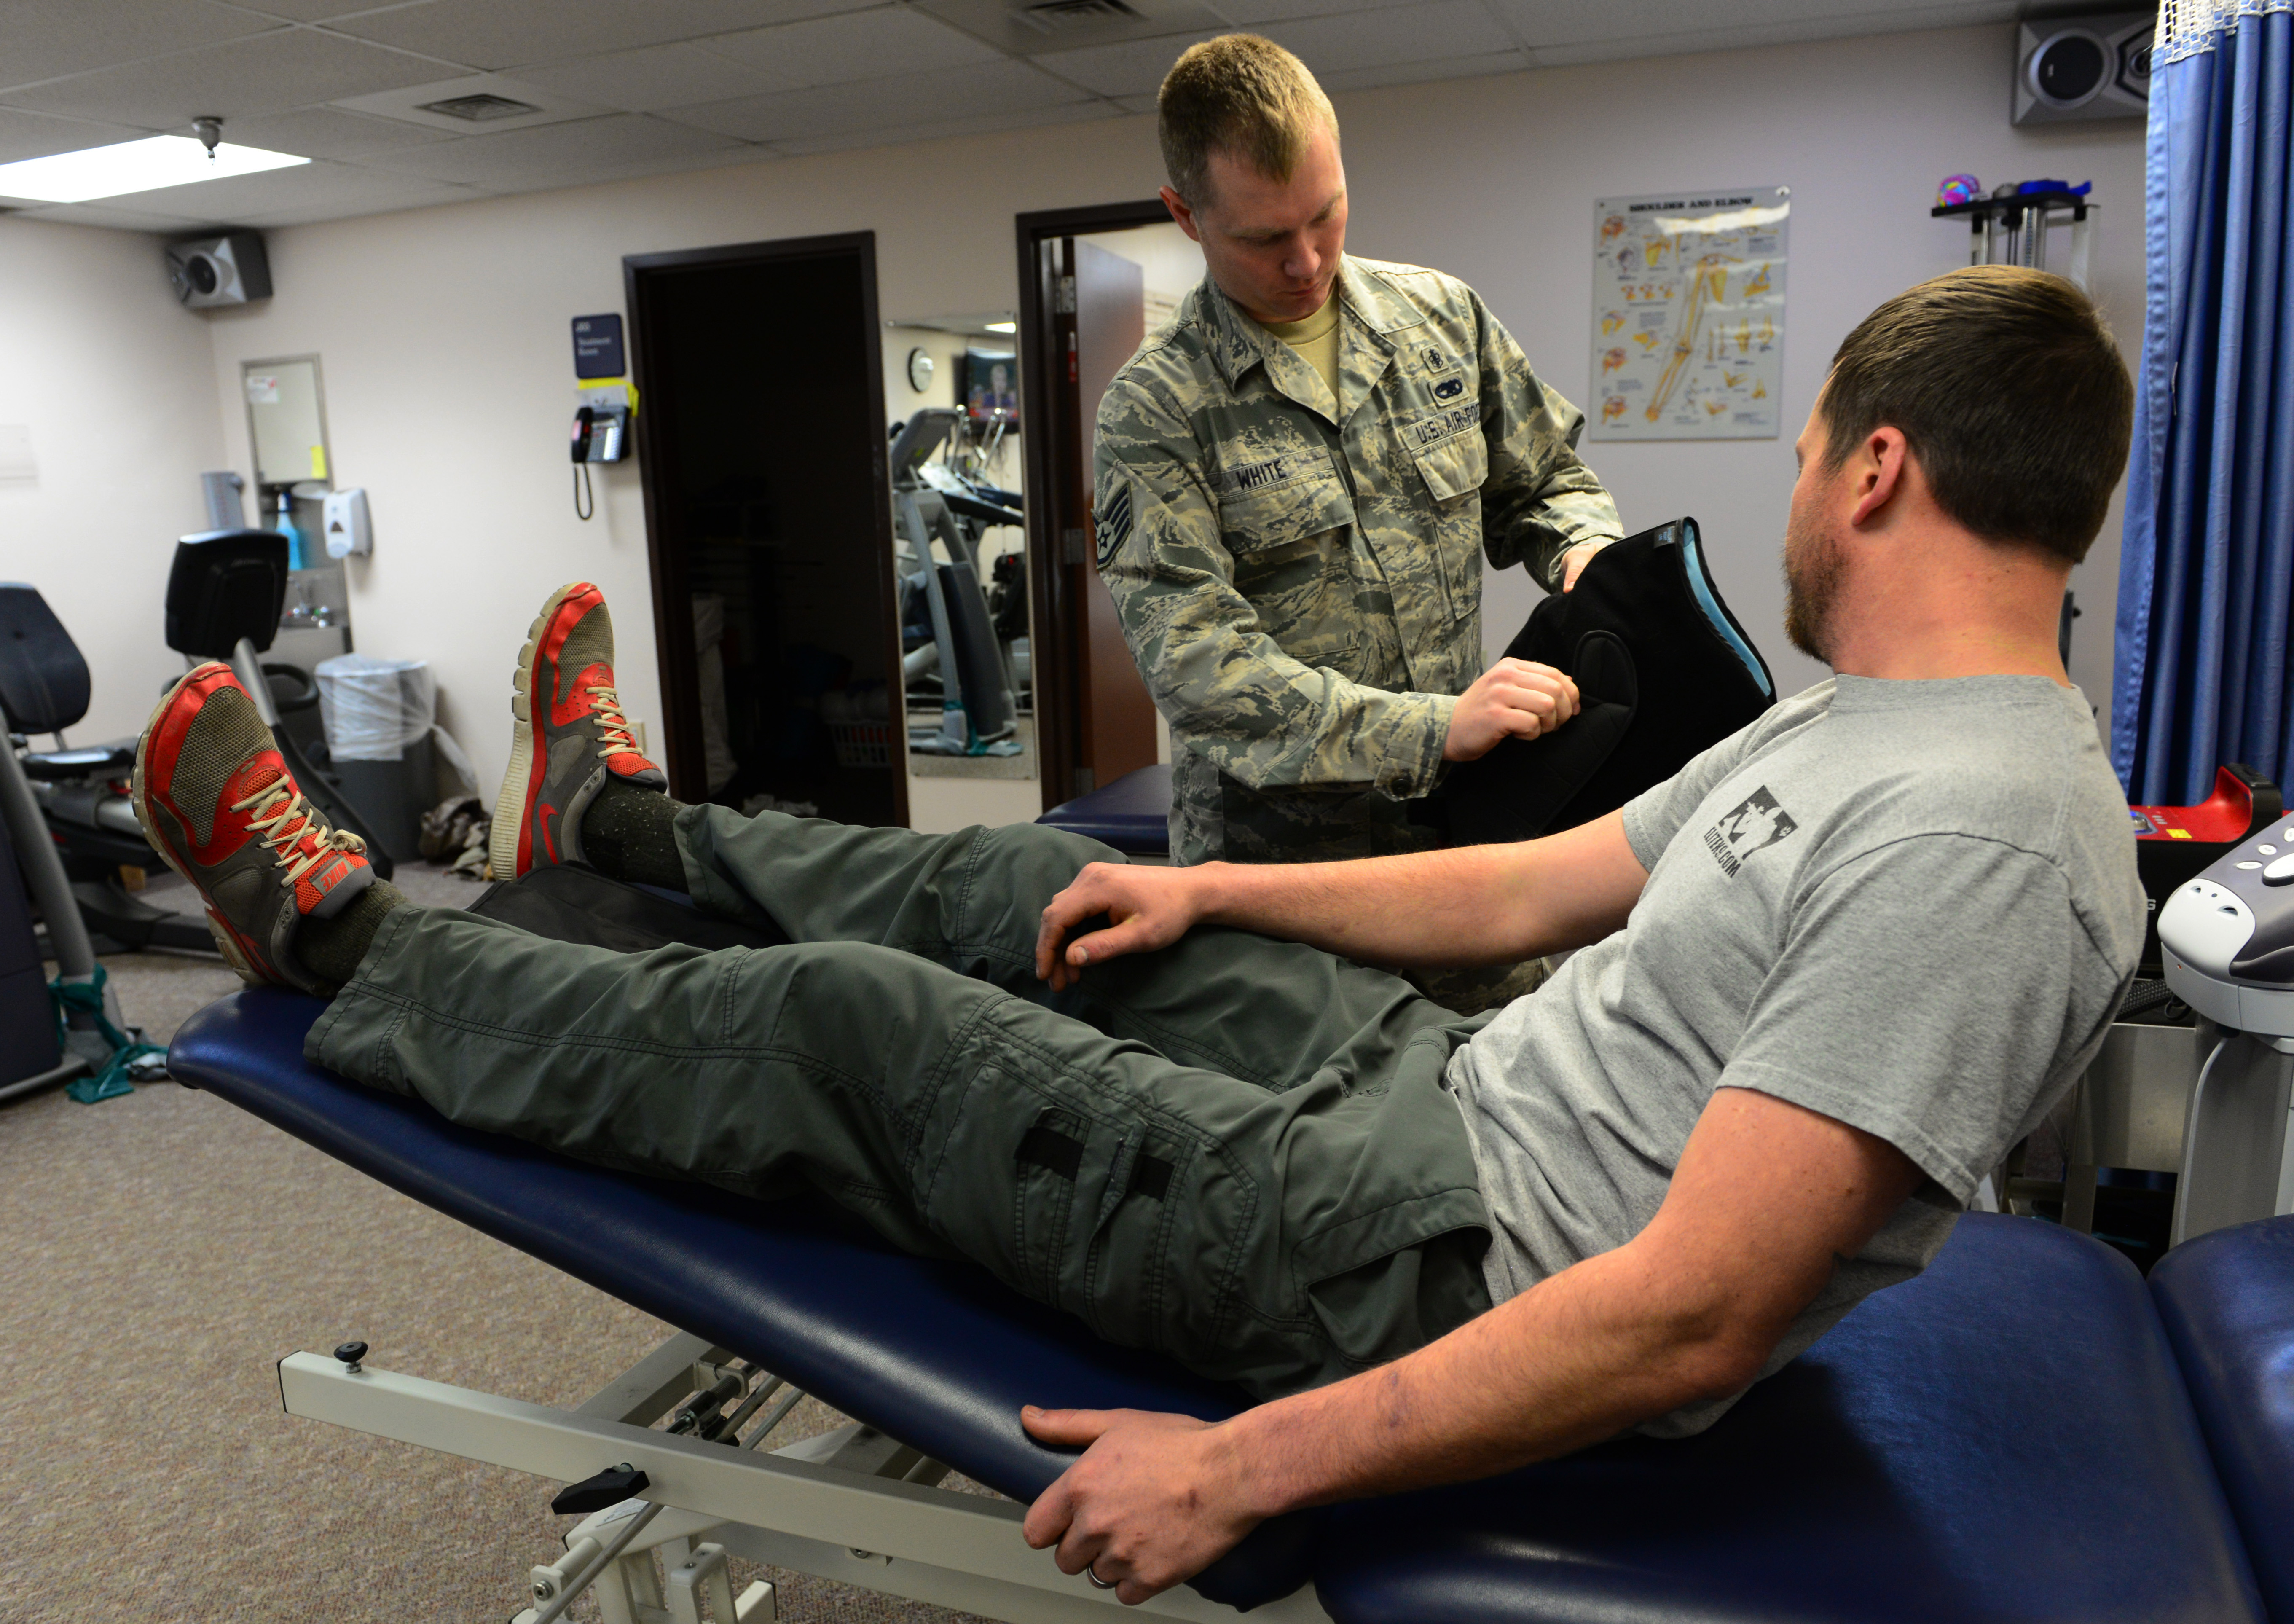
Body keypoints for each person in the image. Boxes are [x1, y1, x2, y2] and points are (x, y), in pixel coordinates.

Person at [137, 267, 2141, 1605]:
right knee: (1041, 896)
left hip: (1423, 1264)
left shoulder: (1977, 839)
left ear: (1874, 467)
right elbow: (1525, 891)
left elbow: (1688, 1315)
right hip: (1441, 1090)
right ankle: (615, 822)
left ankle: (346, 942)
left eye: (1801, 453)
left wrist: (1244, 1468)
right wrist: (1204, 888)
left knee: (849, 1025)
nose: (1792, 492)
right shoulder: (1857, 731)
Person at [1096, 35, 1623, 873]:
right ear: (1186, 215)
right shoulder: (1156, 408)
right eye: (1264, 237)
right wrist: (1433, 730)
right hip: (1279, 871)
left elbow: (1545, 481)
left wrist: (1583, 549)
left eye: (1326, 214)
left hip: (1464, 826)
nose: (1306, 261)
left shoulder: (1441, 319)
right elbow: (1200, 666)